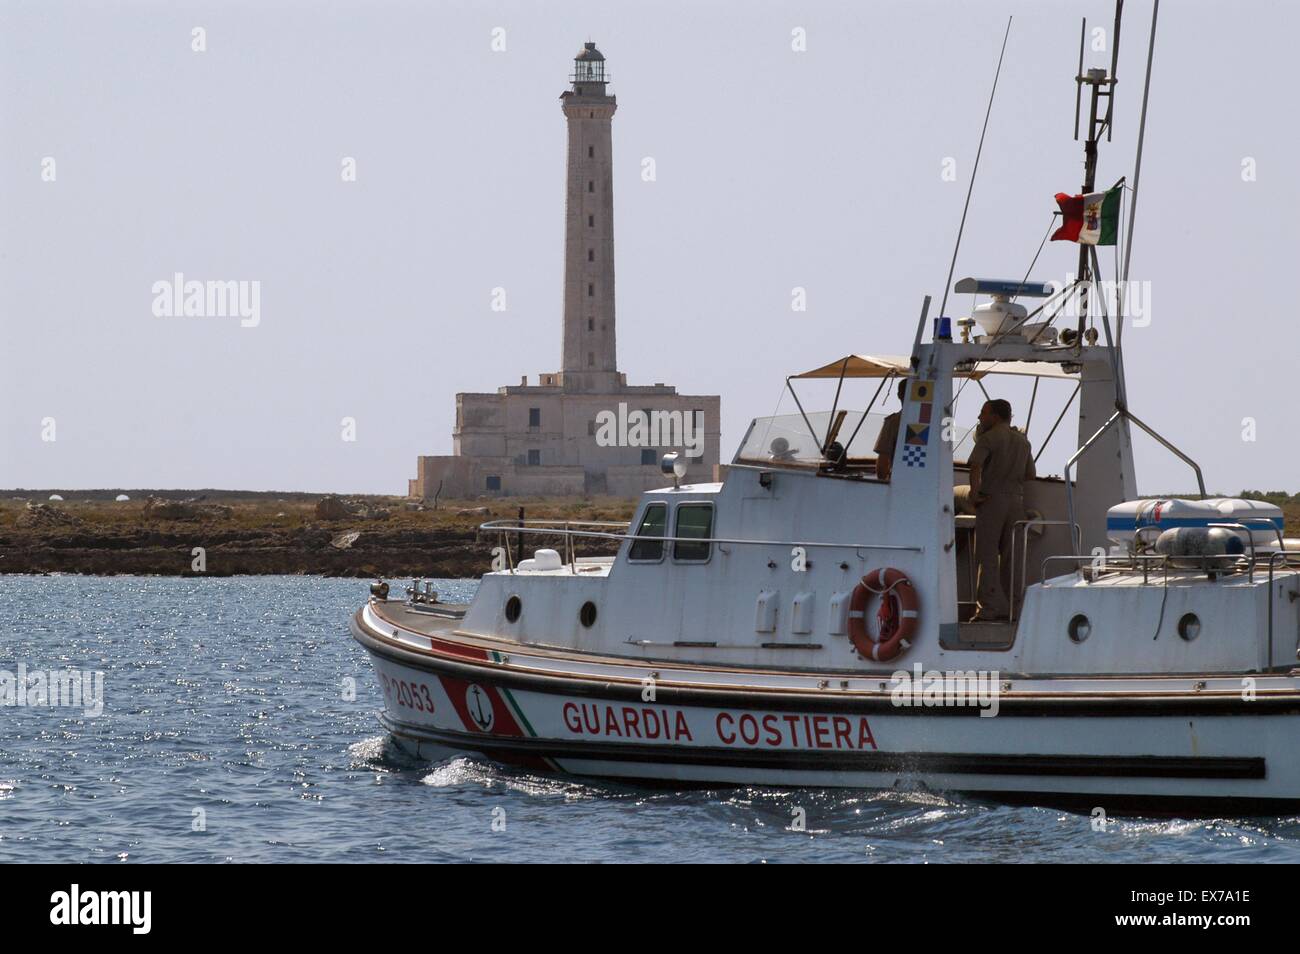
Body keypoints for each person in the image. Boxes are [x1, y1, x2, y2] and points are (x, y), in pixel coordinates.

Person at [968, 398, 1035, 621]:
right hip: (1017, 503)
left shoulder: (988, 438)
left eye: (983, 413)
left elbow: (975, 465)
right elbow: (1030, 474)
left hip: (991, 501)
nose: (980, 417)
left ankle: (987, 609)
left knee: (987, 557)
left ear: (995, 416)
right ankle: (1017, 611)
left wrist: (975, 493)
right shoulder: (1023, 442)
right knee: (1012, 560)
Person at [874, 378, 908, 481]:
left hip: (901, 483)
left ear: (899, 395)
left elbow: (882, 465)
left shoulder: (893, 422)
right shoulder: (939, 422)